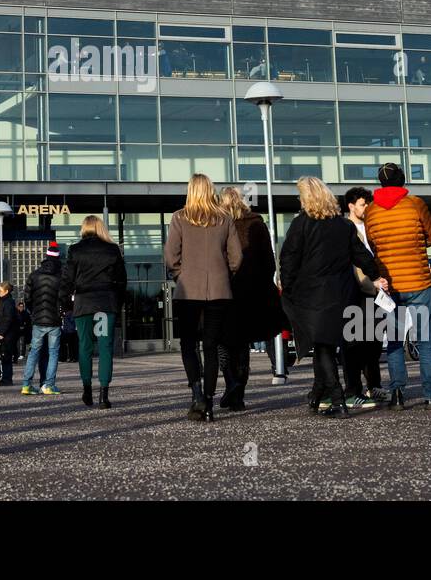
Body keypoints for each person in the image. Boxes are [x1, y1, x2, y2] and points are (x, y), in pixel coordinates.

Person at [280, 177, 383, 418]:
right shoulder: (343, 226)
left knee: (323, 348)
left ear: (306, 198)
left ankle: (338, 401)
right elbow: (362, 256)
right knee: (324, 345)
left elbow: (289, 260)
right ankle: (316, 396)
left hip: (312, 295)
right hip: (342, 294)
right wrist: (377, 276)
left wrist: (289, 288)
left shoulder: (301, 224)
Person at [363, 162, 431, 409]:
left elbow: (372, 243)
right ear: (402, 180)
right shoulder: (415, 204)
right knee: (425, 341)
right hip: (419, 281)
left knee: (395, 342)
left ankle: (398, 394)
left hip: (390, 285)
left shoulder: (372, 211)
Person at [163, 175, 242, 422]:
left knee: (188, 344)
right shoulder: (225, 218)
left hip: (188, 290)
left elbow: (170, 255)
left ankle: (197, 393)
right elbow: (237, 257)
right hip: (219, 290)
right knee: (211, 346)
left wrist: (181, 274)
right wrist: (224, 274)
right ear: (210, 191)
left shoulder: (179, 217)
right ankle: (208, 401)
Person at [216, 185, 285, 412]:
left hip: (226, 289)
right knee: (243, 342)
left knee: (225, 341)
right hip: (252, 292)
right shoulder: (256, 222)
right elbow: (269, 261)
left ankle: (231, 384)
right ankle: (238, 393)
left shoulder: (219, 223)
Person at [62, 215, 127, 409]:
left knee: (85, 347)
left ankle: (87, 388)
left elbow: (67, 280)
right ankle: (104, 395)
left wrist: (65, 304)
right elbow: (122, 280)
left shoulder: (75, 250)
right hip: (106, 302)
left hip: (83, 303)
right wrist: (119, 302)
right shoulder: (112, 250)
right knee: (105, 348)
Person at [340, 186, 385, 406]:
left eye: (368, 203)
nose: (366, 207)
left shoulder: (373, 226)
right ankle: (353, 389)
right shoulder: (345, 227)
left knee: (374, 341)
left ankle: (374, 386)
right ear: (351, 206)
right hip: (356, 291)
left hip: (377, 291)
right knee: (354, 342)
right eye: (362, 204)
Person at [22, 241, 65, 396]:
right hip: (54, 320)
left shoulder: (34, 275)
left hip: (38, 321)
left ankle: (26, 385)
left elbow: (27, 298)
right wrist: (62, 313)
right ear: (58, 258)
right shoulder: (61, 276)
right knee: (53, 353)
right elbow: (65, 298)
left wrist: (33, 313)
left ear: (46, 257)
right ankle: (48, 385)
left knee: (34, 352)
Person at [0, 283, 18, 385]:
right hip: (6, 333)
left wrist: (2, 332)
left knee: (6, 356)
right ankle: (5, 378)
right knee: (4, 356)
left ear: (6, 291)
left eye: (0, 290)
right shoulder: (5, 301)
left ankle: (7, 379)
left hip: (7, 334)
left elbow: (8, 319)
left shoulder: (8, 302)